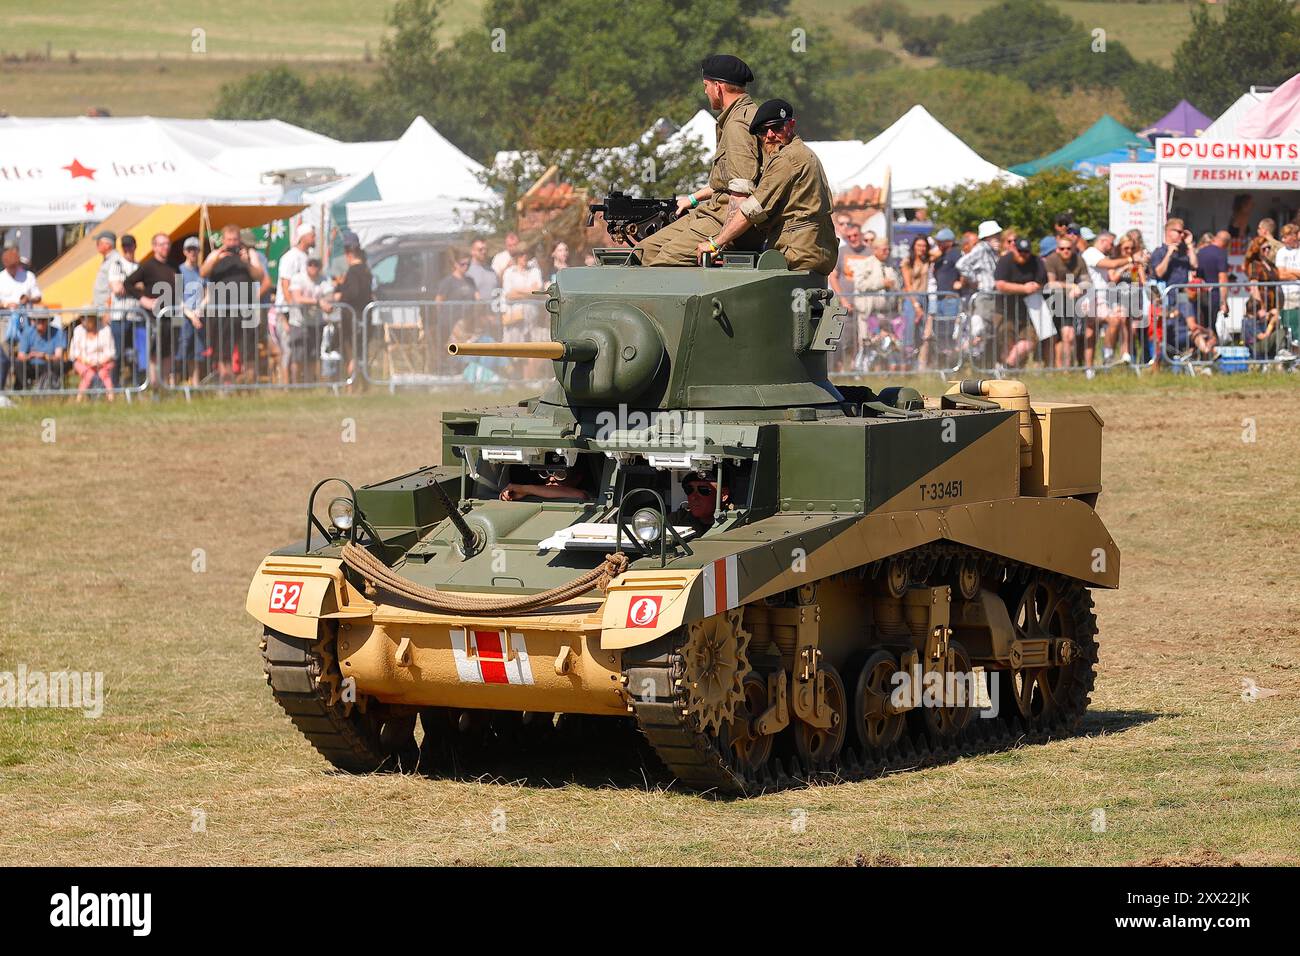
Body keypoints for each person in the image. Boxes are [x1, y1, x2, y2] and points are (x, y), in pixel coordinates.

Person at [640, 55, 762, 267]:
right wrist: (692, 199)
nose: (705, 91)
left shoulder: (738, 126)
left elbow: (742, 193)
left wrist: (718, 243)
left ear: (718, 87)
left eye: (706, 86)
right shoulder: (737, 117)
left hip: (724, 219)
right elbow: (727, 182)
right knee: (644, 251)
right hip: (712, 212)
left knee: (664, 262)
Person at [700, 98, 836, 276]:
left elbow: (751, 210)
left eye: (777, 128)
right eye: (763, 131)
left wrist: (715, 243)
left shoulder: (787, 159)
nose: (770, 135)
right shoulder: (804, 154)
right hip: (817, 250)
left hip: (797, 253)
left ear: (791, 125)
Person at [200, 224, 264, 386]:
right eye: (229, 240)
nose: (232, 243)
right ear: (223, 240)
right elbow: (203, 272)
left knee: (248, 350)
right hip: (222, 311)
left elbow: (260, 275)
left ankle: (249, 386)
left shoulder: (249, 254)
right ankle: (226, 385)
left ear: (239, 240)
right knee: (223, 350)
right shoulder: (215, 254)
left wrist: (247, 263)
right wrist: (215, 260)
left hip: (245, 310)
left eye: (235, 239)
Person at [123, 232, 179, 388]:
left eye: (167, 244)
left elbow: (180, 289)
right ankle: (154, 385)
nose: (165, 247)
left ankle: (165, 385)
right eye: (162, 244)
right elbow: (127, 284)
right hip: (154, 317)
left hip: (172, 314)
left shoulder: (174, 266)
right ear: (154, 247)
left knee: (169, 351)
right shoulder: (148, 266)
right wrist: (143, 299)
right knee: (155, 351)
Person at [992, 237, 1044, 369]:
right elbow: (1000, 285)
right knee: (1007, 342)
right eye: (1020, 251)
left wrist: (1036, 286)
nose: (1023, 254)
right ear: (1014, 249)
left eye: (1026, 252)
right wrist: (1024, 289)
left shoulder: (1036, 261)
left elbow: (1041, 281)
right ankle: (1010, 373)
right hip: (1004, 310)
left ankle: (1007, 366)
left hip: (1029, 312)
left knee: (1029, 342)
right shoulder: (1005, 261)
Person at [330, 235, 372, 386]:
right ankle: (360, 385)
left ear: (348, 253)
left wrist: (339, 295)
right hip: (362, 318)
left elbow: (353, 292)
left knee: (352, 354)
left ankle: (352, 386)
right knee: (358, 354)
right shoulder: (365, 269)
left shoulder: (354, 271)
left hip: (353, 319)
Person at [1042, 233, 1088, 368]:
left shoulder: (1079, 260)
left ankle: (1066, 369)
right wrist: (1071, 286)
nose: (1065, 251)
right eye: (1062, 248)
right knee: (1053, 338)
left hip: (1069, 303)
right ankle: (1051, 368)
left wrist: (1080, 287)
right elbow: (1051, 284)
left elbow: (1087, 281)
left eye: (1068, 248)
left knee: (1068, 335)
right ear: (1057, 249)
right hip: (1051, 302)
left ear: (1073, 248)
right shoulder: (1051, 260)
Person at [287, 257, 333, 384]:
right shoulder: (298, 278)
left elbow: (330, 296)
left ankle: (308, 386)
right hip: (298, 323)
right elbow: (297, 298)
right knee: (298, 357)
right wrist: (319, 302)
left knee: (313, 357)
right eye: (310, 264)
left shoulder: (324, 280)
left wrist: (328, 303)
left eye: (316, 264)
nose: (313, 267)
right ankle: (295, 385)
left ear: (320, 267)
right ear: (306, 265)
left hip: (316, 323)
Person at [923, 227, 962, 370]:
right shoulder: (940, 256)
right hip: (939, 299)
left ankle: (952, 364)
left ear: (949, 242)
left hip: (950, 298)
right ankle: (942, 364)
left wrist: (961, 282)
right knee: (940, 332)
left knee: (949, 331)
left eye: (941, 242)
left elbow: (964, 269)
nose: (938, 244)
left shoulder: (955, 254)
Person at [68, 310, 116, 401]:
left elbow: (110, 352)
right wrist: (87, 362)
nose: (84, 320)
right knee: (88, 374)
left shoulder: (106, 330)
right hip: (83, 362)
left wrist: (99, 362)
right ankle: (80, 399)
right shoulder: (78, 330)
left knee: (104, 373)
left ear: (94, 318)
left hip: (103, 362)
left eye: (87, 318)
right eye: (82, 318)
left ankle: (111, 398)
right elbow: (74, 353)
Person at [900, 235, 931, 365]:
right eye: (919, 245)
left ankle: (919, 364)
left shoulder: (928, 260)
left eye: (924, 246)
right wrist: (916, 305)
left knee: (922, 332)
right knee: (909, 330)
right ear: (914, 246)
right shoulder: (907, 262)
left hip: (925, 297)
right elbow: (908, 286)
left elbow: (939, 251)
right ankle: (907, 363)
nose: (922, 248)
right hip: (911, 299)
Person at [15, 309, 67, 390]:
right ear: (33, 321)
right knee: (18, 363)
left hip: (49, 366)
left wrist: (44, 356)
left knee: (59, 365)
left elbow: (58, 356)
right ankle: (26, 390)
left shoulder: (58, 332)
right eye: (37, 320)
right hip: (31, 365)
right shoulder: (27, 332)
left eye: (43, 320)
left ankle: (52, 389)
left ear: (48, 321)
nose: (40, 322)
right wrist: (30, 356)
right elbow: (20, 356)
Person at [669, 471, 729, 535]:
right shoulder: (676, 520)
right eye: (689, 489)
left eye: (703, 490)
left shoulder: (735, 525)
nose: (693, 497)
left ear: (723, 495)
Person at [1273, 223, 1300, 356]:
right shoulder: (1281, 252)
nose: (1283, 239)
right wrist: (1297, 273)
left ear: (1295, 236)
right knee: (1290, 326)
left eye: (1286, 236)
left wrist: (1289, 272)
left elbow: (1285, 272)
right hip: (1288, 294)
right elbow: (1281, 274)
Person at [499, 467, 589, 502]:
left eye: (560, 474)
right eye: (544, 473)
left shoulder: (588, 497)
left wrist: (525, 490)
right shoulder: (528, 495)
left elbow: (580, 495)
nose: (551, 478)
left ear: (577, 479)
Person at [466, 238, 498, 302]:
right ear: (472, 251)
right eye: (480, 250)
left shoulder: (492, 271)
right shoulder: (467, 272)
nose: (484, 252)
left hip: (492, 311)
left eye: (486, 249)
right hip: (473, 310)